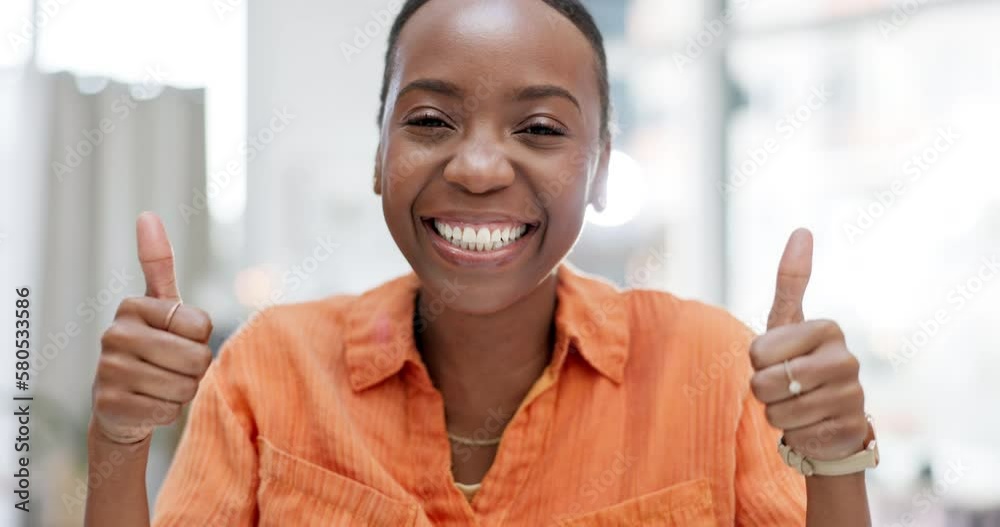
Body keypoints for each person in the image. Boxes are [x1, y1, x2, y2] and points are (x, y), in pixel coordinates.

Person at [85, 0, 877, 525]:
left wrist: (835, 456)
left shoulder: (712, 369)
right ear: (379, 156)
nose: (478, 167)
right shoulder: (269, 370)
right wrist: (119, 442)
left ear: (601, 169)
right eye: (431, 120)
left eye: (540, 129)